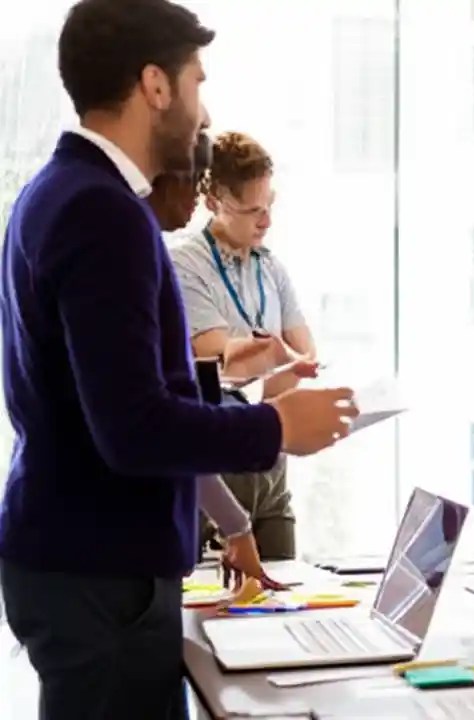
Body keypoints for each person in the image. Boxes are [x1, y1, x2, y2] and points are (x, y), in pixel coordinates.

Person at [0, 2, 357, 718]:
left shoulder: (58, 191)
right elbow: (131, 428)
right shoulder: (104, 212)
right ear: (155, 85)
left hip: (76, 560)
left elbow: (110, 394)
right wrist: (274, 428)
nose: (201, 114)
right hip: (102, 572)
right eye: (196, 82)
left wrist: (237, 400)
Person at [169, 130, 315, 559]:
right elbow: (216, 358)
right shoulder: (185, 264)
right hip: (216, 476)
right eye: (252, 210)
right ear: (213, 200)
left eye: (269, 206)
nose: (265, 221)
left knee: (287, 599)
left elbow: (305, 353)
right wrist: (269, 361)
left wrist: (268, 361)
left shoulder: (271, 268)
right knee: (211, 611)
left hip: (271, 470)